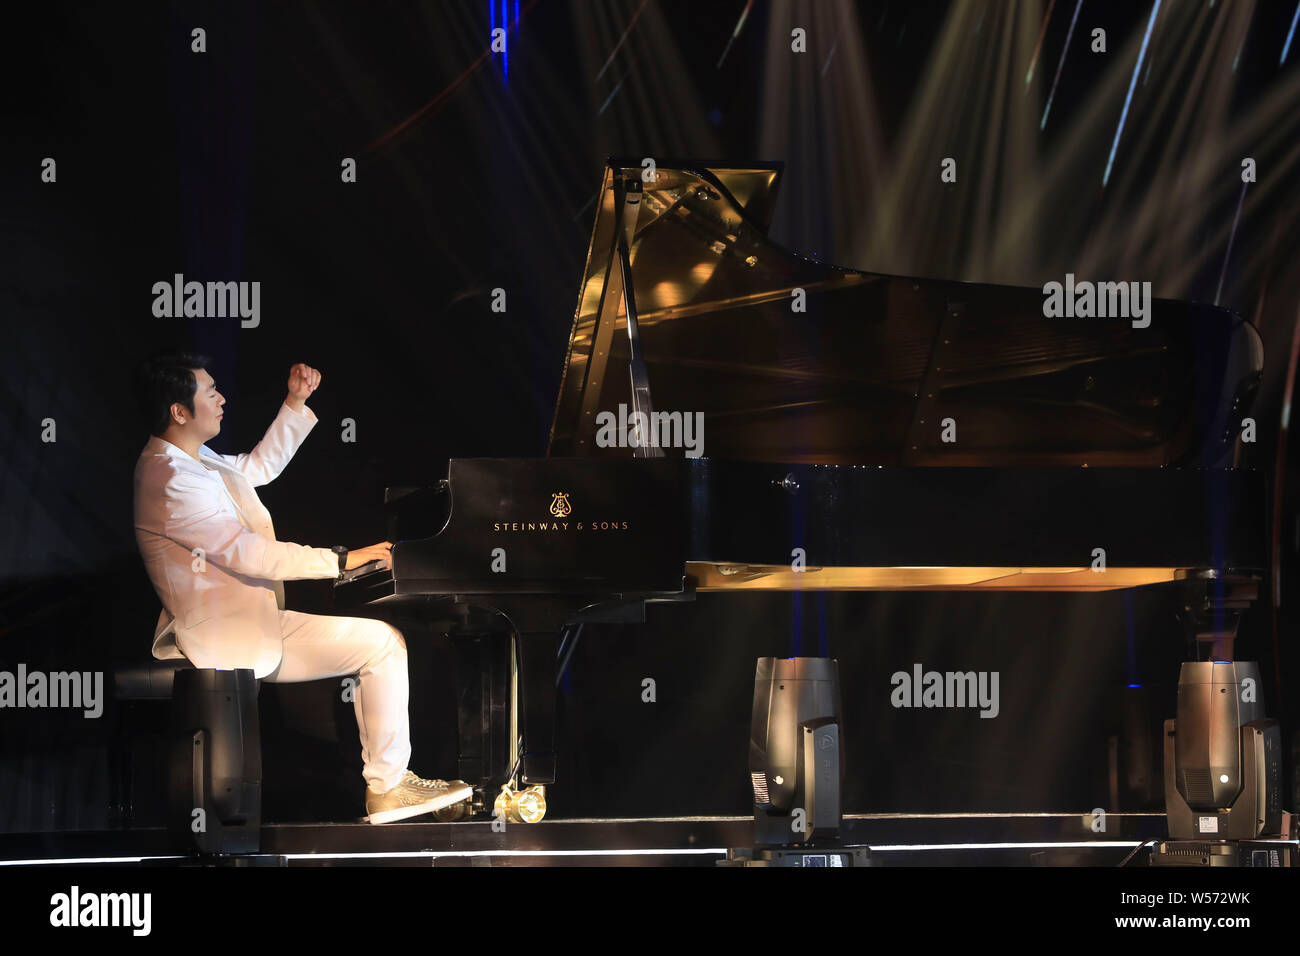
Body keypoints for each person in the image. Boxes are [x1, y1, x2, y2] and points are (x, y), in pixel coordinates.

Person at [131, 352, 469, 824]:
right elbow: (248, 552)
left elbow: (257, 468)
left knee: (382, 644)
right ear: (180, 412)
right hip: (226, 637)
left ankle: (388, 788)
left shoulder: (195, 460)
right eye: (211, 391)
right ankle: (388, 786)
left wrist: (294, 402)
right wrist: (340, 559)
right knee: (381, 645)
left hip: (256, 624)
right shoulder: (166, 478)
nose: (222, 397)